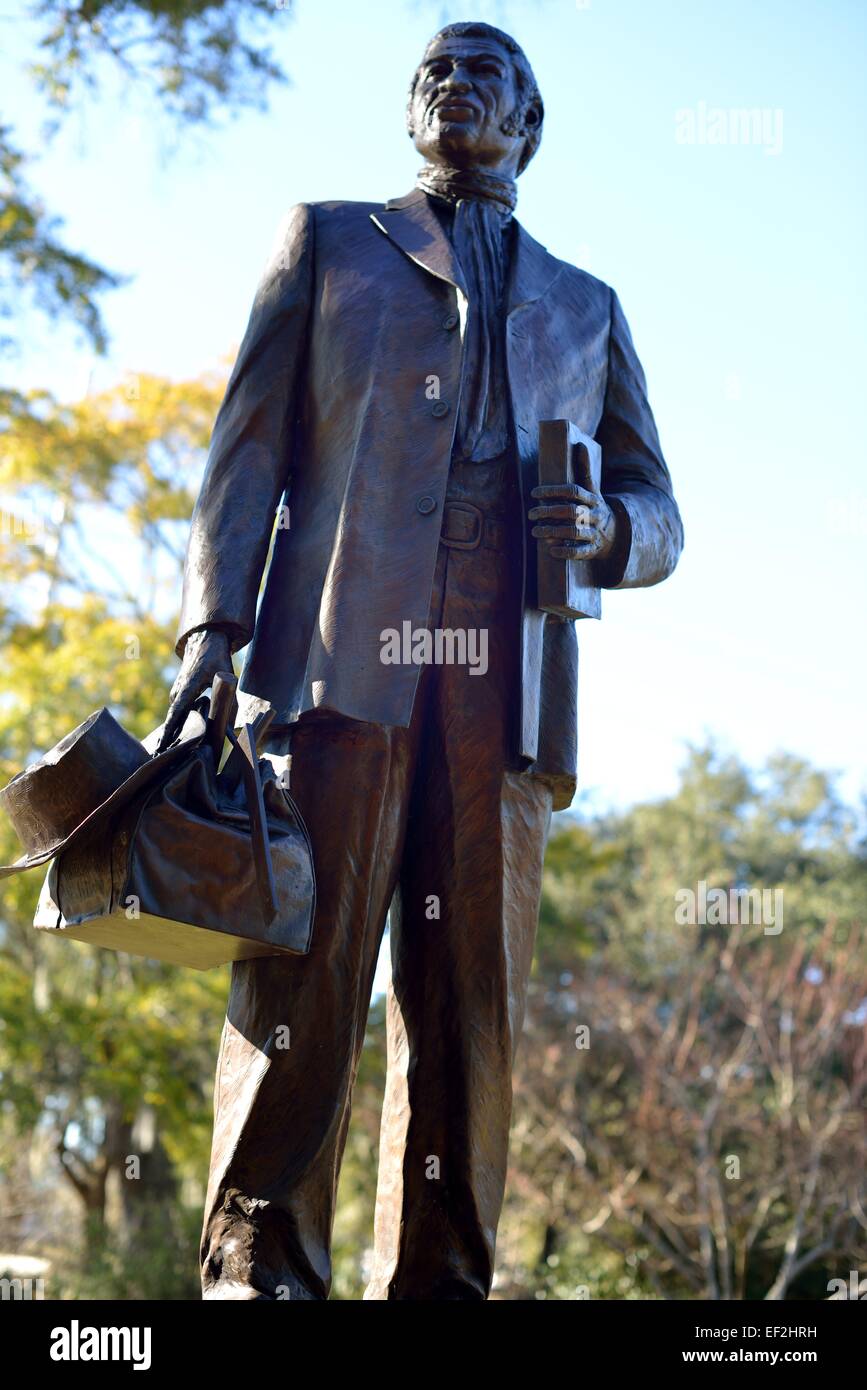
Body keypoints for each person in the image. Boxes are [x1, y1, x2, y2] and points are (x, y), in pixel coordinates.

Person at [161, 21, 683, 1300]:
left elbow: (660, 511)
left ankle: (446, 1276)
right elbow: (244, 459)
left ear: (530, 124)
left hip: (506, 685)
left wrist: (613, 526)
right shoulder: (331, 241)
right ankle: (259, 1259)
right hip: (345, 654)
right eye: (437, 72)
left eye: (490, 72)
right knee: (306, 960)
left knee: (471, 997)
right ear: (411, 114)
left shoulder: (589, 305)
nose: (460, 85)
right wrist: (211, 632)